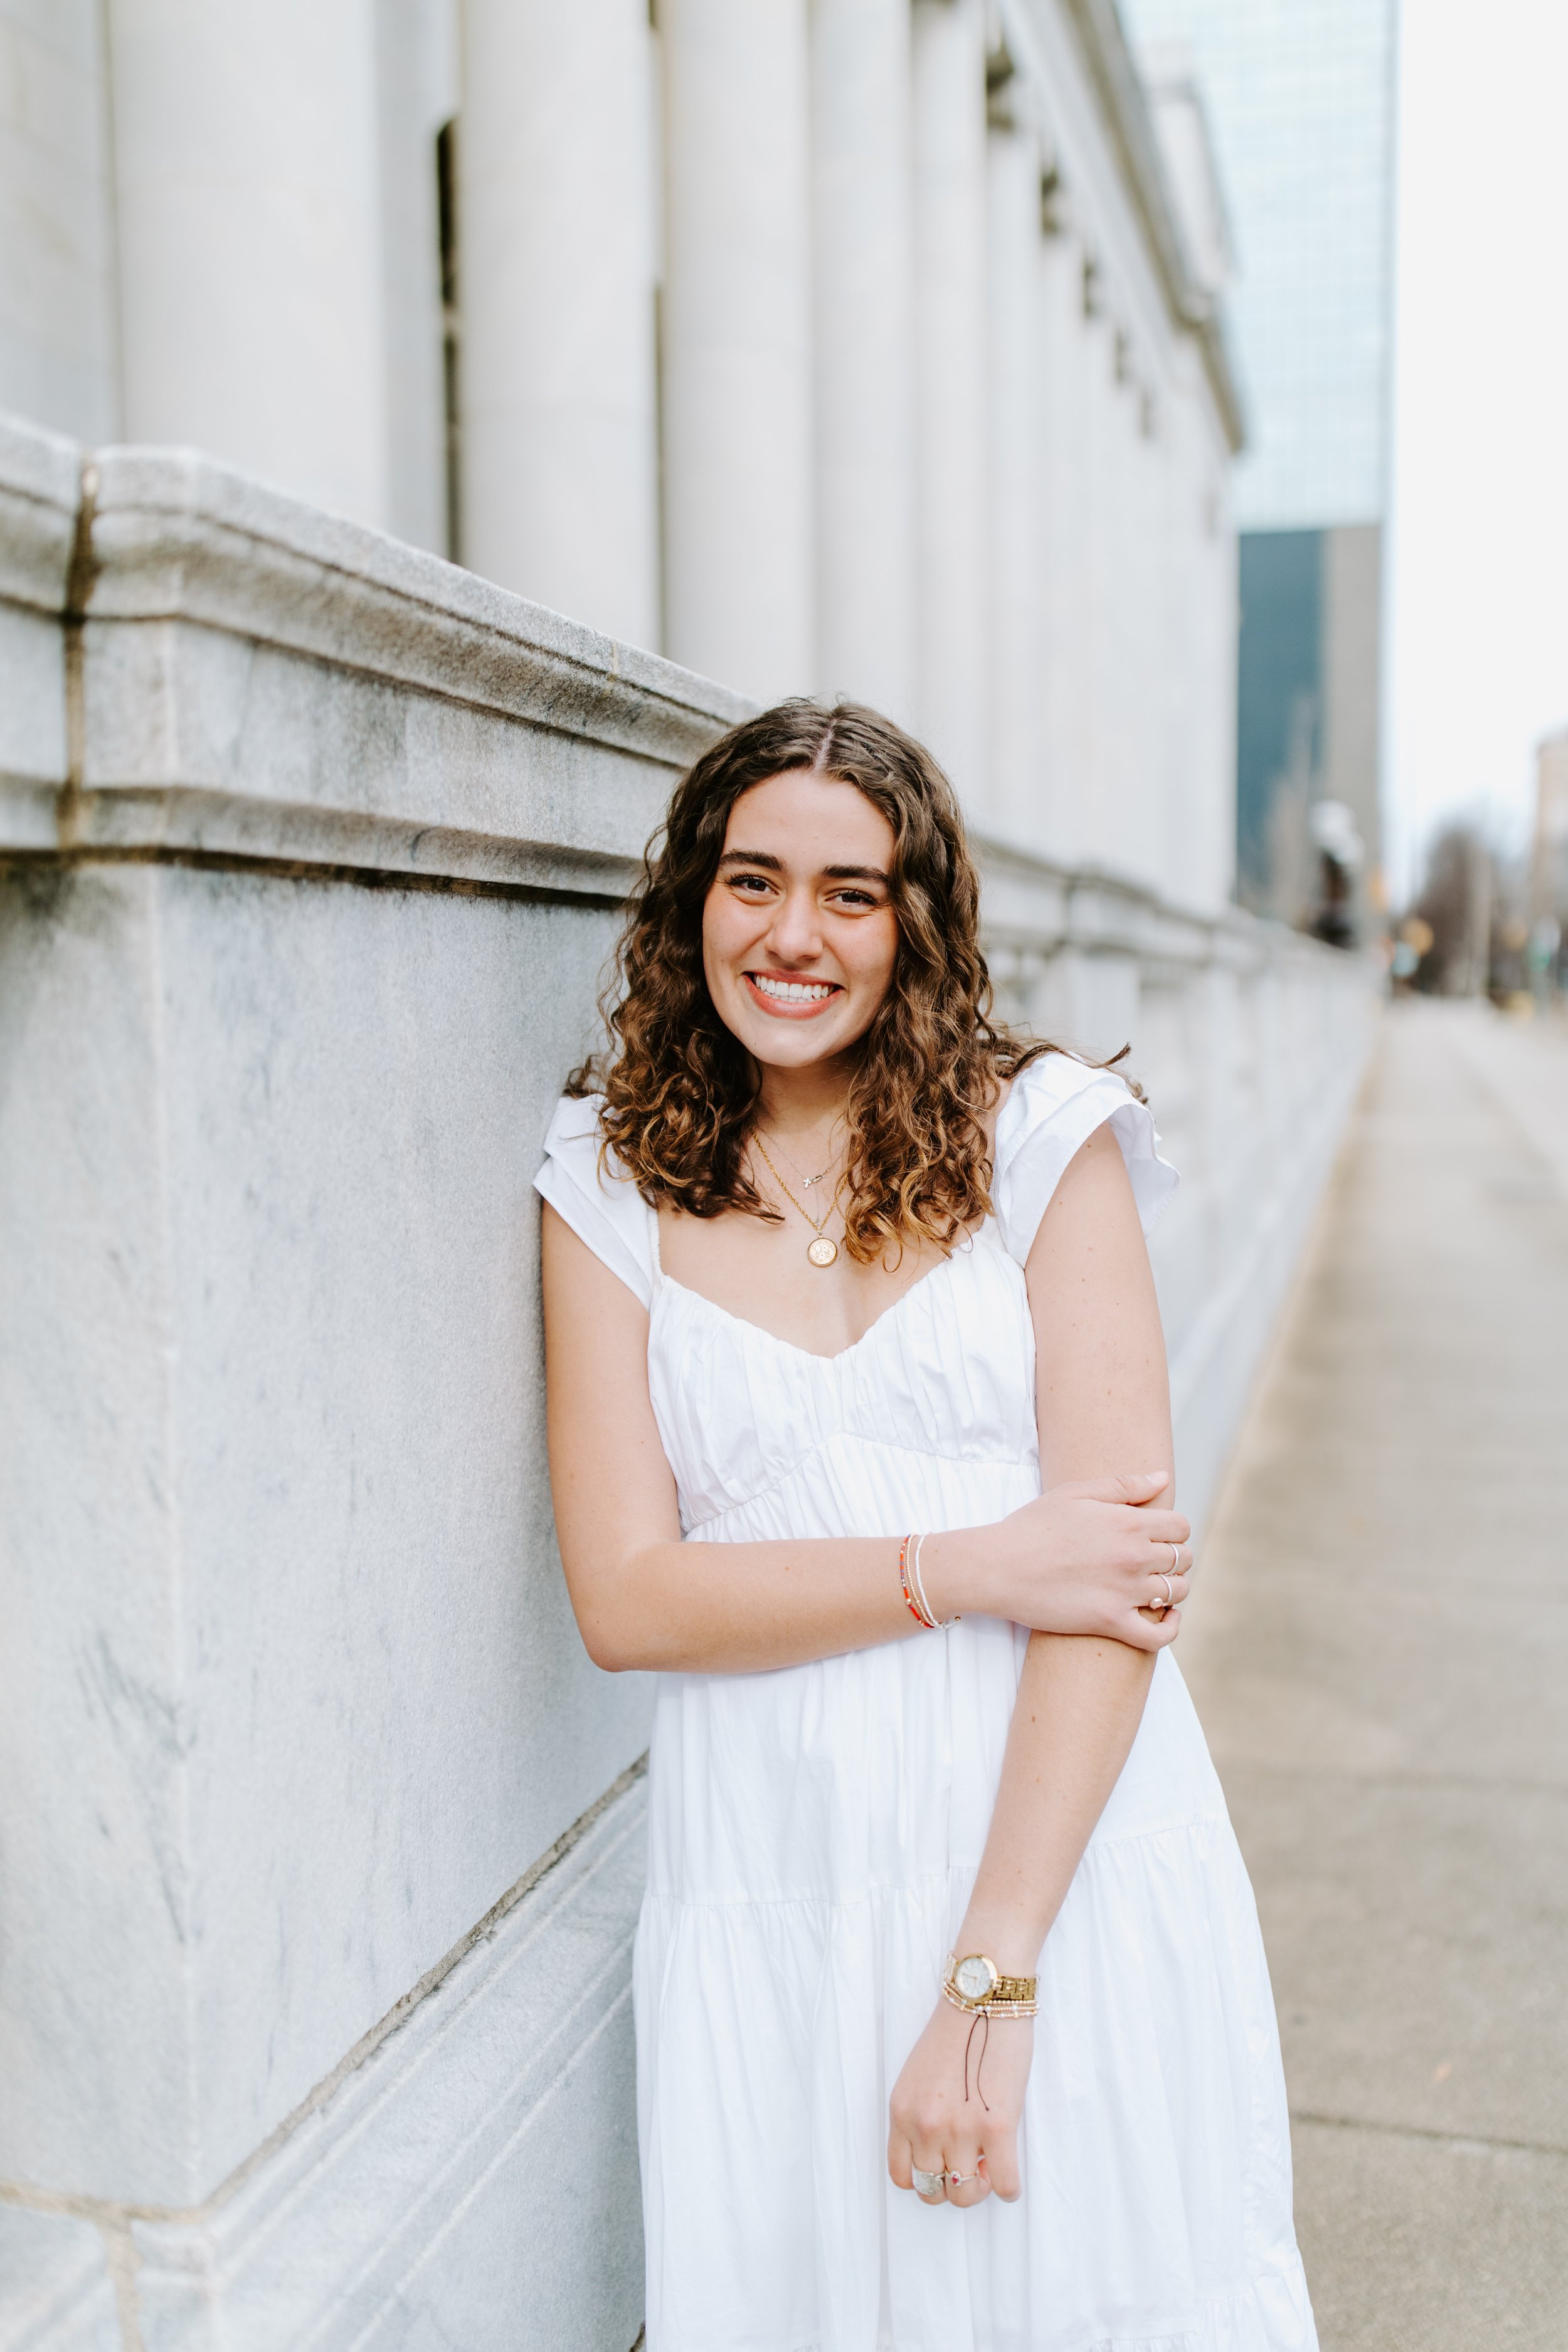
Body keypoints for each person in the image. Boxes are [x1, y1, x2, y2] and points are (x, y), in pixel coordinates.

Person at [536, 702, 1315, 2352]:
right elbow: (626, 1598)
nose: (792, 936)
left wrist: (996, 1967)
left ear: (919, 923)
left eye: (851, 892)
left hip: (1051, 1850)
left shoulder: (1039, 1140)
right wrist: (963, 1562)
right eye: (751, 881)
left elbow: (1111, 1587)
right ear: (691, 903)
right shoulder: (605, 1181)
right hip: (771, 1869)